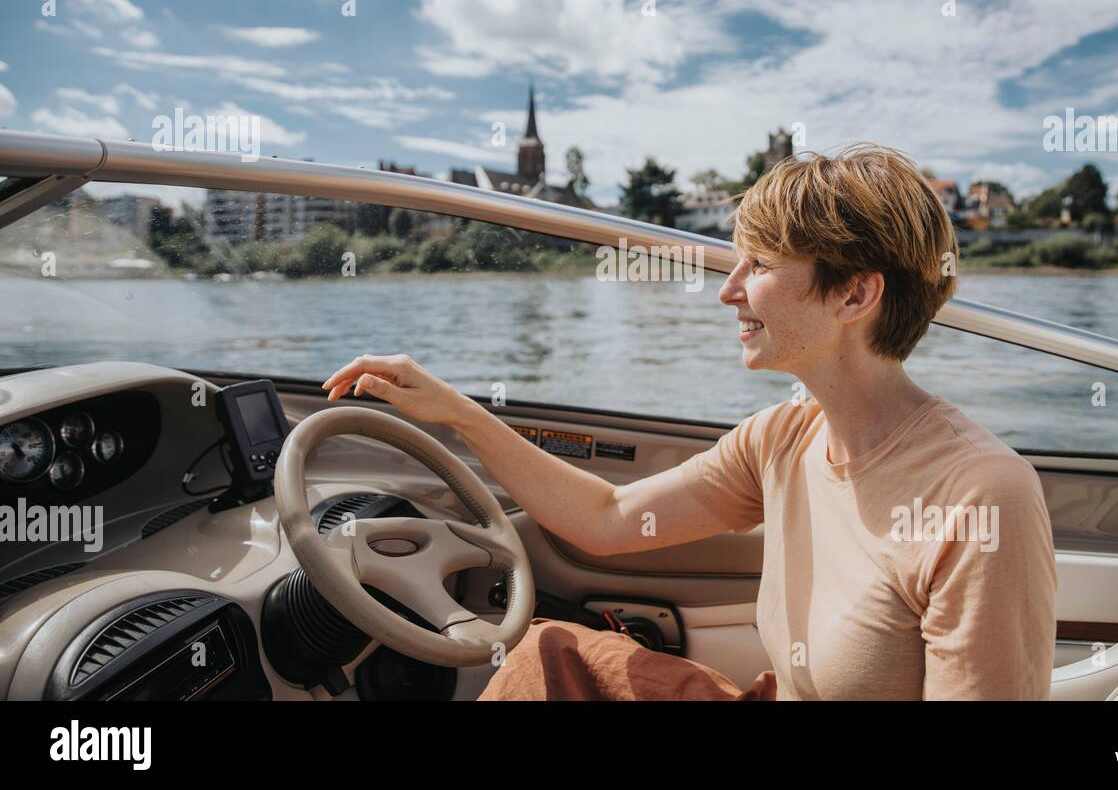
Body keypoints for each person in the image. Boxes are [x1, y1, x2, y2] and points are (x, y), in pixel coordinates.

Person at [322, 142, 1058, 700]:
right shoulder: (783, 437)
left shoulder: (980, 497)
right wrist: (455, 413)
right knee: (550, 656)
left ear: (855, 296)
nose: (727, 292)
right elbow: (608, 518)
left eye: (760, 264)